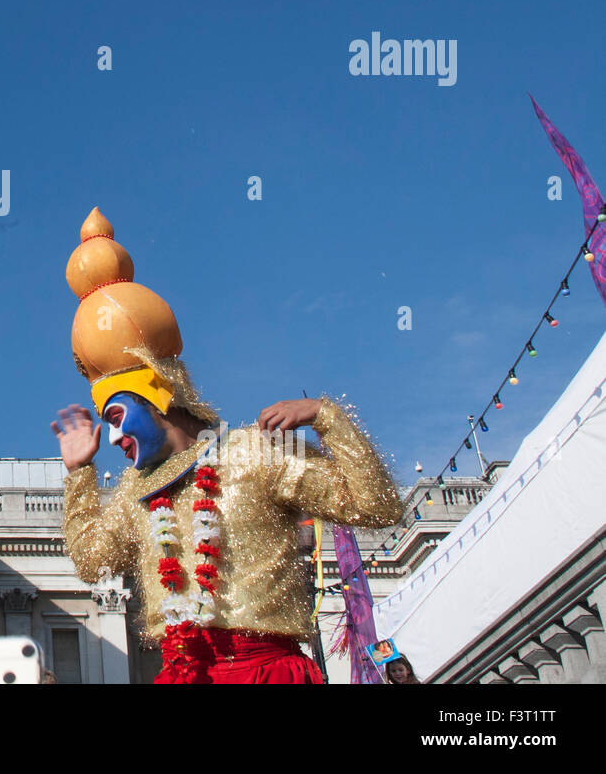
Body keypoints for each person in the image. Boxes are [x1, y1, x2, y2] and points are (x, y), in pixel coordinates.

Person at [53, 208, 404, 684]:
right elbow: (94, 562)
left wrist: (326, 416)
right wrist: (78, 474)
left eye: (116, 417)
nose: (112, 437)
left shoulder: (252, 453)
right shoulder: (136, 496)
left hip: (271, 672)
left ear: (158, 395)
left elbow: (375, 505)